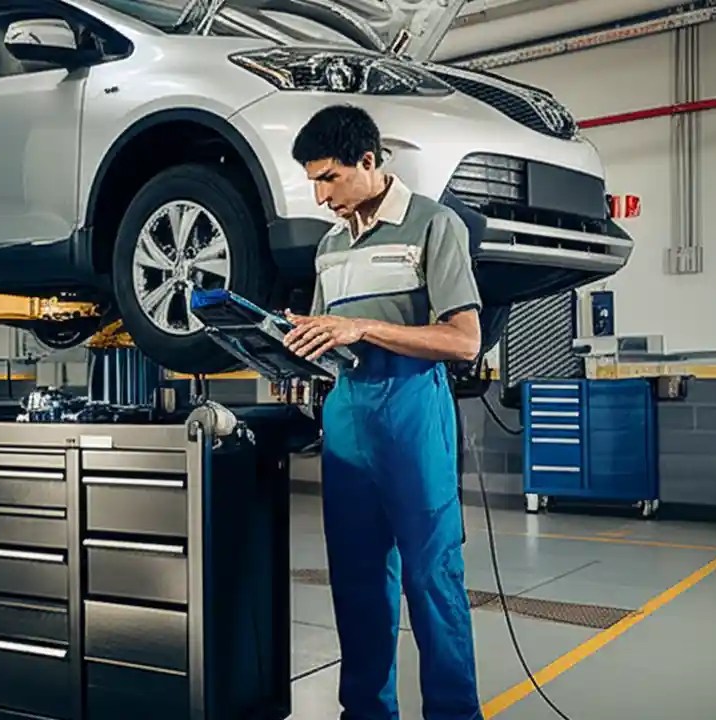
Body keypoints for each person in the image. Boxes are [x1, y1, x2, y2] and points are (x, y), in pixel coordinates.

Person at [282, 104, 483, 720]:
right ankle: (364, 712)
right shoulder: (327, 248)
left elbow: (463, 341)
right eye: (313, 181)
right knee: (358, 586)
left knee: (431, 580)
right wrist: (284, 346)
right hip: (347, 419)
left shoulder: (433, 225)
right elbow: (330, 339)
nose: (320, 196)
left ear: (368, 162)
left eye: (329, 178)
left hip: (413, 417)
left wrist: (359, 326)